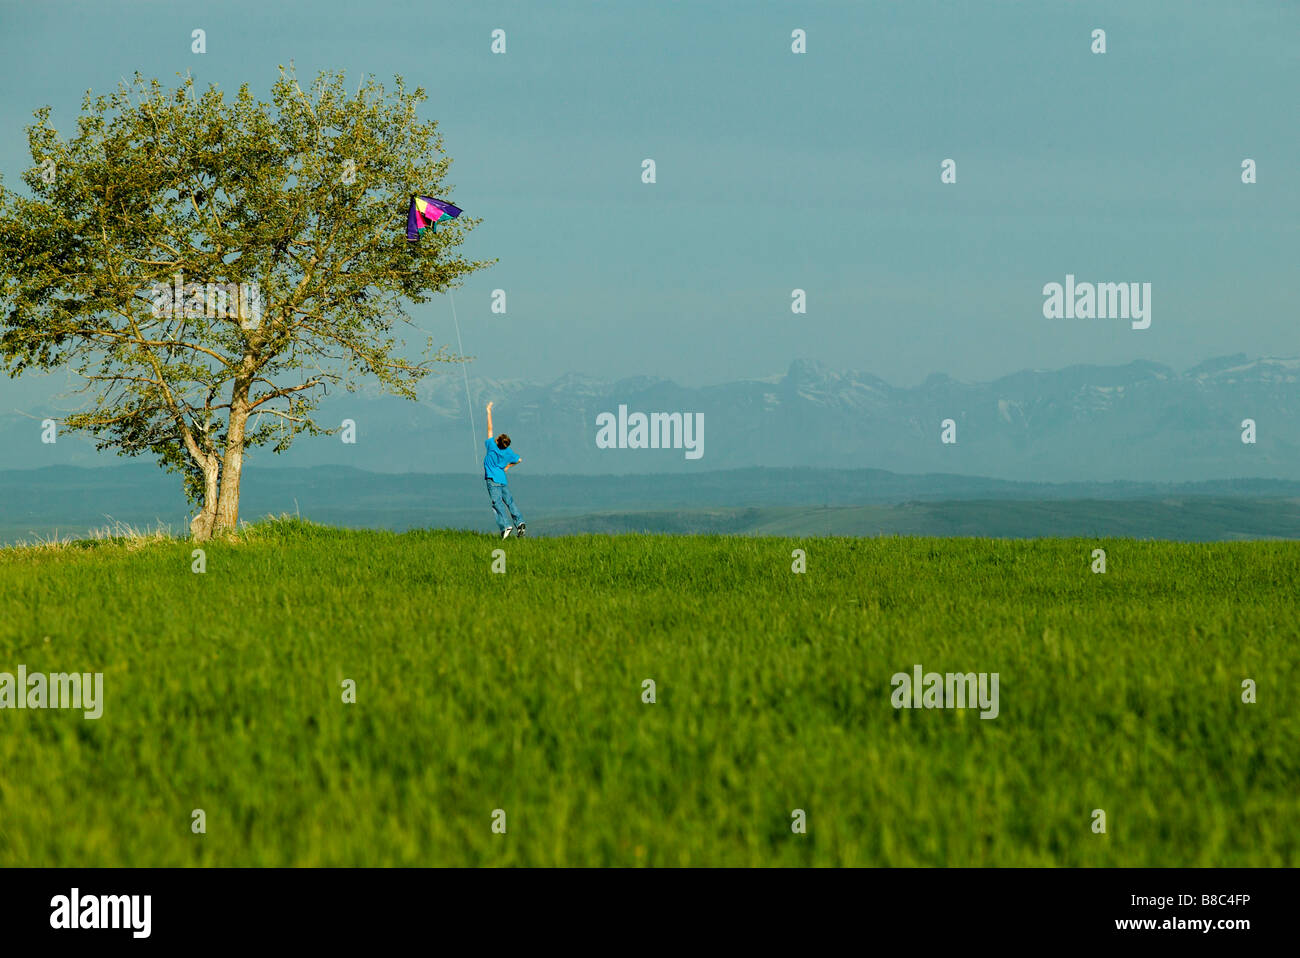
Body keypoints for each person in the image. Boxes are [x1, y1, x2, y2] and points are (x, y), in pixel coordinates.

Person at [483, 401, 525, 538]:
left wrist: (488, 411)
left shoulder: (491, 446)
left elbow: (490, 428)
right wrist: (507, 466)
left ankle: (505, 525)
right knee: (509, 502)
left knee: (497, 503)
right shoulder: (508, 452)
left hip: (492, 480)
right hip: (502, 479)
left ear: (497, 441)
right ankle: (519, 522)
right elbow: (519, 460)